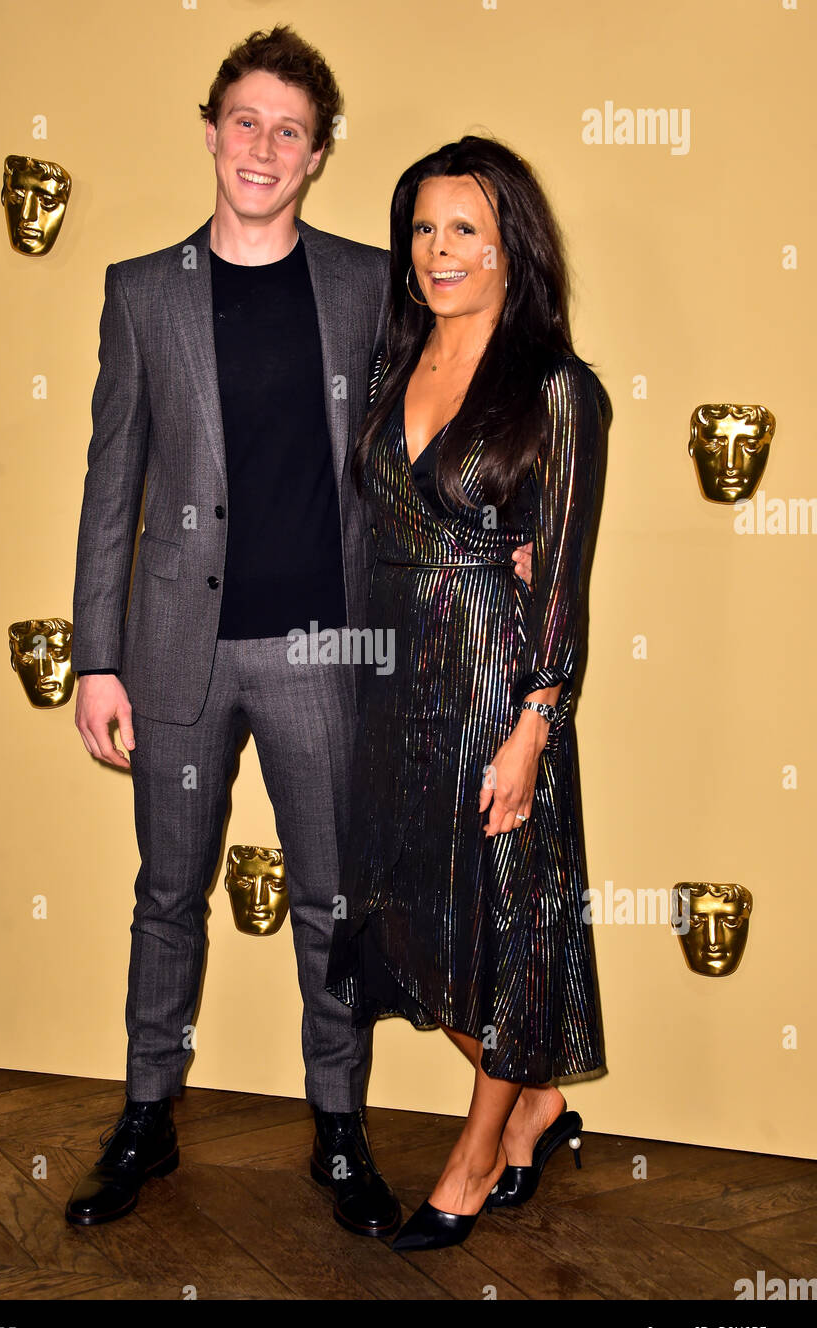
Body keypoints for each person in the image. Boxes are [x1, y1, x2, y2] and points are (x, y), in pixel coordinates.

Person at [66, 25, 537, 1236]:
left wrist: (519, 510)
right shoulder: (138, 290)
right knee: (167, 893)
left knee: (333, 905)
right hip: (174, 652)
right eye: (246, 121)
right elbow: (109, 478)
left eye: (290, 129)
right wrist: (97, 656)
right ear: (212, 129)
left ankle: (338, 1132)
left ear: (318, 154)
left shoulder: (360, 284)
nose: (263, 147)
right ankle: (146, 1114)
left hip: (329, 655)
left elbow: (445, 405)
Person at [325, 135, 609, 1252]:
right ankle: (535, 1100)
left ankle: (475, 1152)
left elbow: (565, 580)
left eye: (466, 232)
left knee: (504, 931)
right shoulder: (392, 363)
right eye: (424, 229)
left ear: (510, 249)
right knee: (400, 921)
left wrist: (537, 724)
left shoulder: (555, 389)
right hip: (393, 679)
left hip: (497, 680)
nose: (439, 253)